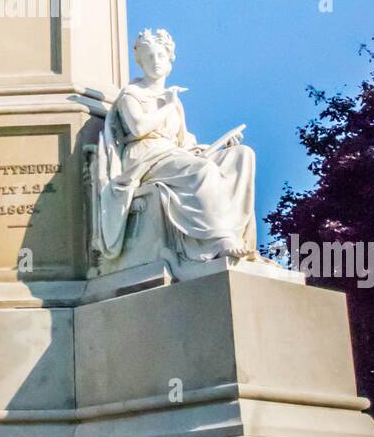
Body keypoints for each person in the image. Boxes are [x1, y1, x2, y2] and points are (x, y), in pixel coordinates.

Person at [97, 29, 258, 266]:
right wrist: (167, 105)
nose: (155, 62)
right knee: (202, 171)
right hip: (146, 157)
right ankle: (217, 240)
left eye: (160, 55)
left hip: (174, 154)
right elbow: (139, 128)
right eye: (149, 57)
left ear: (169, 58)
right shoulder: (132, 94)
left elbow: (185, 142)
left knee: (241, 156)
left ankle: (236, 233)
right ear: (140, 61)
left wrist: (221, 145)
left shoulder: (172, 99)